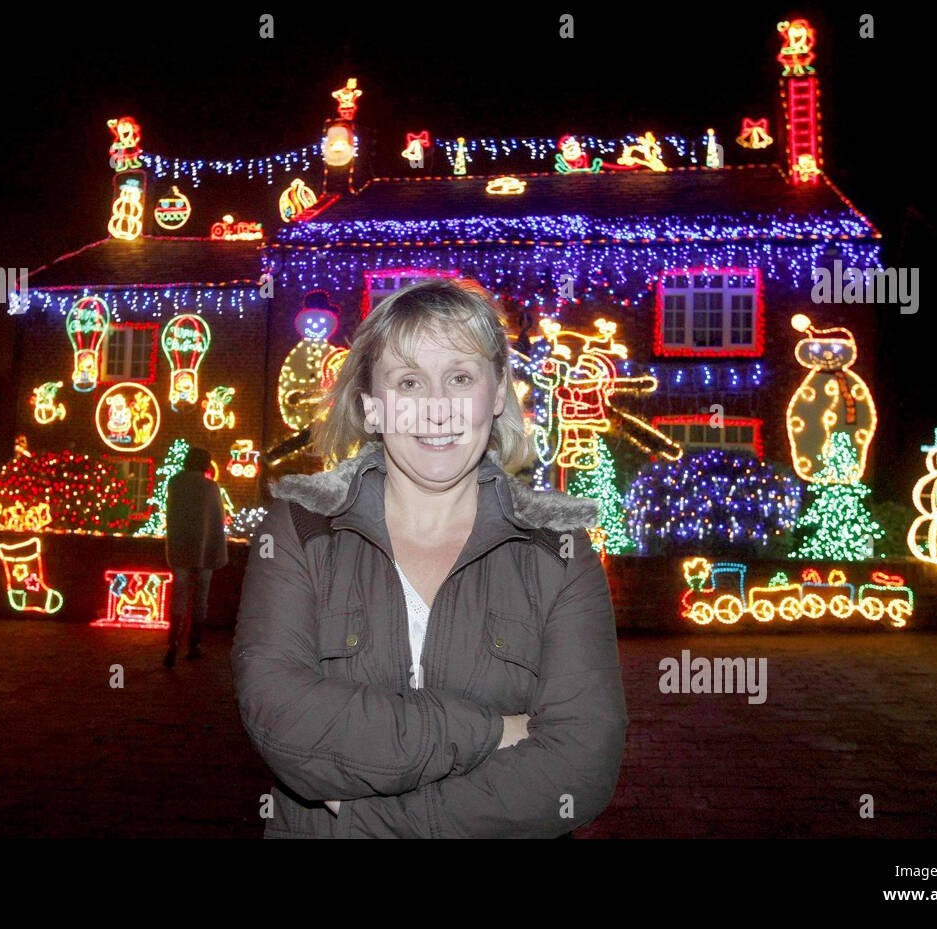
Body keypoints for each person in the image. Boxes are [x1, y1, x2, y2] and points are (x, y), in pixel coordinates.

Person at [231, 278, 628, 837]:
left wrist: (379, 819)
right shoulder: (302, 527)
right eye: (409, 381)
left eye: (460, 378)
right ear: (371, 406)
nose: (437, 410)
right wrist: (492, 731)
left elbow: (582, 763)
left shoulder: (556, 547)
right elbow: (282, 717)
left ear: (495, 397)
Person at [164, 445, 228, 667]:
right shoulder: (210, 487)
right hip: (204, 549)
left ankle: (173, 642)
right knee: (200, 598)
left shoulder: (175, 483)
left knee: (179, 596)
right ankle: (194, 644)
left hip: (180, 547)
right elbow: (217, 519)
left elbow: (172, 514)